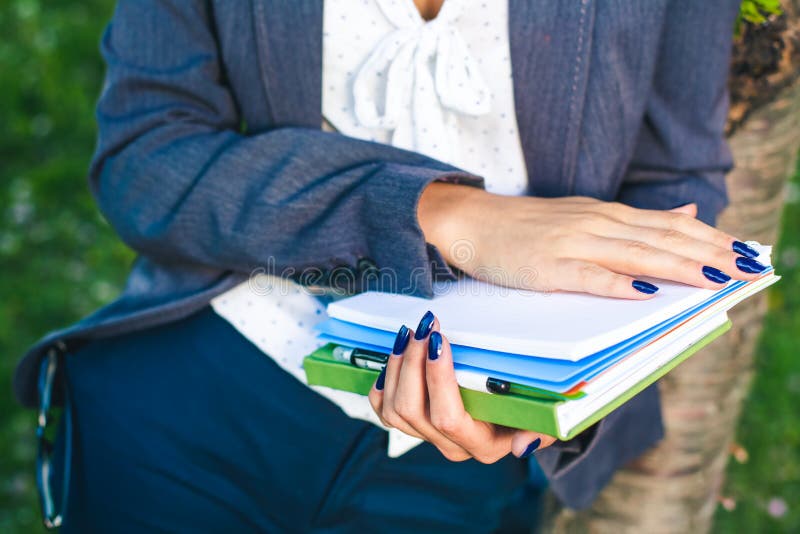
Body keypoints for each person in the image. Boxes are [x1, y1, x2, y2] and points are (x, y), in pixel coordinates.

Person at [15, 0, 758, 531]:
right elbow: (145, 156)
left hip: (467, 449)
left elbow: (674, 183)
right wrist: (447, 215)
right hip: (210, 382)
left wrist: (559, 388)